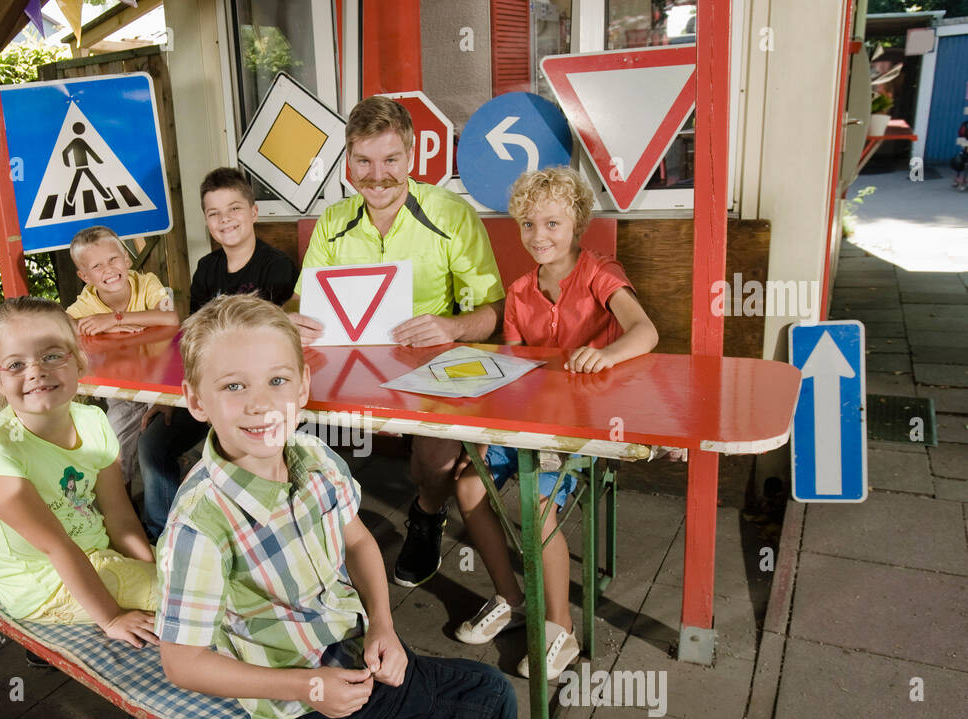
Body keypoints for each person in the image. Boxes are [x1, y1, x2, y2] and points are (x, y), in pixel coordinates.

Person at [156, 295, 517, 719]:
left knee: (434, 681)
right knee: (492, 697)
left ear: (302, 384)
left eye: (276, 380)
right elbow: (181, 663)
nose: (259, 405)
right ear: (195, 401)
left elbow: (357, 541)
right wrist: (306, 687)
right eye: (232, 387)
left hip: (344, 646)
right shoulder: (199, 521)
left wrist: (384, 625)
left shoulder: (314, 456)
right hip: (290, 691)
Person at [289, 95, 505, 593]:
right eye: (363, 161)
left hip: (432, 368)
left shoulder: (451, 215)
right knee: (296, 440)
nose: (377, 174)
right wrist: (289, 318)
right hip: (345, 368)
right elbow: (298, 300)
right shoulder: (332, 221)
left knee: (434, 461)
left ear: (411, 158)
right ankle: (322, 540)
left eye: (390, 160)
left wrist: (452, 327)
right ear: (348, 163)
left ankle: (427, 513)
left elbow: (494, 314)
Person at [454, 167, 659, 678]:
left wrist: (606, 355)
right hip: (533, 419)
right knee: (467, 487)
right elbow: (516, 366)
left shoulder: (599, 272)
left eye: (552, 224)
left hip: (590, 422)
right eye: (528, 224)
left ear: (576, 225)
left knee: (537, 508)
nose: (539, 236)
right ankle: (509, 596)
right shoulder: (520, 291)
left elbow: (646, 331)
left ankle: (561, 629)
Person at [0, 297, 164, 719]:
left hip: (92, 553)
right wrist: (111, 619)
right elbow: (57, 547)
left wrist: (151, 567)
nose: (35, 371)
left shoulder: (93, 421)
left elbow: (118, 514)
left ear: (78, 361)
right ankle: (162, 709)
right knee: (190, 599)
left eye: (52, 354)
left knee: (187, 563)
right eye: (16, 364)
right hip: (40, 581)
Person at [136, 167, 299, 538]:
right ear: (207, 221)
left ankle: (247, 537)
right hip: (208, 392)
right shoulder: (206, 269)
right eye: (214, 213)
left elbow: (276, 347)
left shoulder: (277, 268)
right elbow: (191, 341)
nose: (225, 220)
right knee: (152, 442)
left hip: (256, 398)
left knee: (231, 453)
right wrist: (172, 396)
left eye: (234, 209)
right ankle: (165, 537)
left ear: (254, 212)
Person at [65, 225, 178, 487]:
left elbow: (171, 318)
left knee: (153, 448)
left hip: (160, 386)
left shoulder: (146, 283)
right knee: (114, 455)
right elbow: (59, 323)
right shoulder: (88, 301)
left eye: (114, 259)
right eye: (96, 266)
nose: (108, 269)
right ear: (84, 275)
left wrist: (114, 319)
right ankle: (124, 507)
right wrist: (110, 326)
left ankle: (155, 513)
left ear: (127, 259)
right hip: (120, 394)